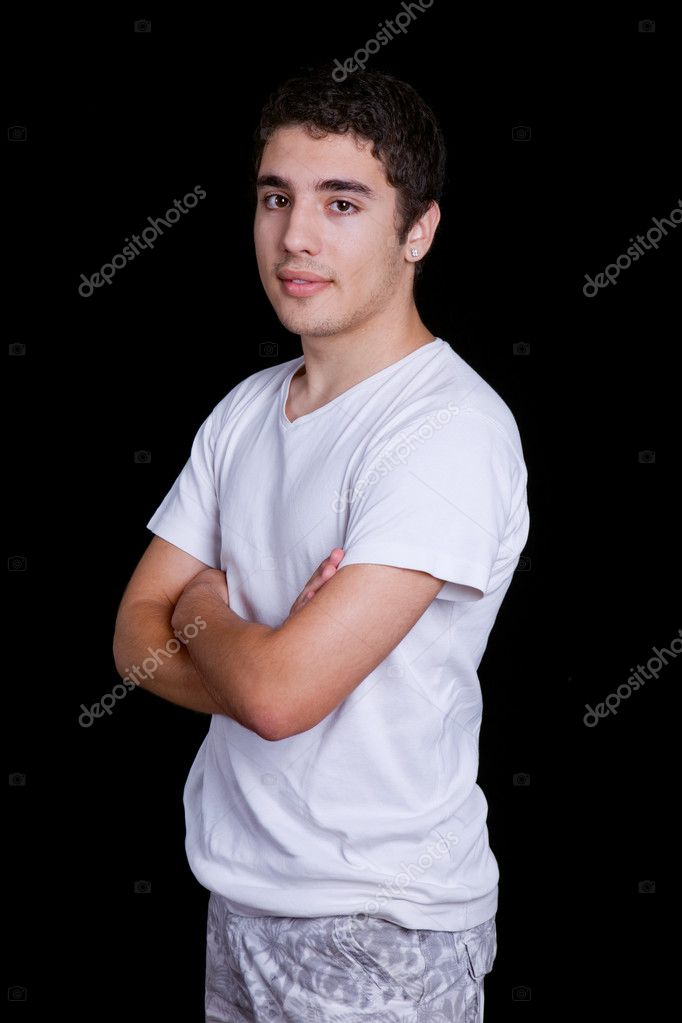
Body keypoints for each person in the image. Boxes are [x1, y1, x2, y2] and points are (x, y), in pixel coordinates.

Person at [113, 64, 530, 1022]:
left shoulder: (445, 431)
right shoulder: (246, 412)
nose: (295, 235)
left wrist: (208, 605)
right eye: (276, 197)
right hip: (240, 897)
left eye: (343, 202)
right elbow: (133, 641)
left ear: (418, 228)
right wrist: (256, 649)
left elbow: (276, 695)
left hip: (380, 928)